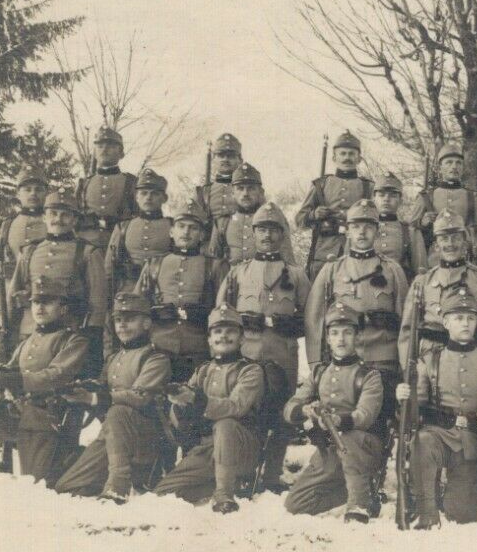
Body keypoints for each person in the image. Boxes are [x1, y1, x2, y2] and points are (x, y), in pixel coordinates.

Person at [0, 282, 91, 484]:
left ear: (64, 308)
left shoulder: (74, 341)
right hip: (18, 414)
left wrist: (17, 380)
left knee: (37, 485)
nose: (40, 308)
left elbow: (56, 376)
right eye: (35, 302)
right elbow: (11, 369)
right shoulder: (28, 341)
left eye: (48, 302)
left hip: (48, 420)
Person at [219, 202, 311, 494]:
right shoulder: (239, 272)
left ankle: (272, 474)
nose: (268, 236)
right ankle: (245, 471)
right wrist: (243, 321)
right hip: (247, 355)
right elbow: (221, 314)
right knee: (246, 412)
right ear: (253, 233)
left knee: (281, 415)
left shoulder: (295, 274)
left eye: (273, 230)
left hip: (282, 354)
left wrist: (287, 325)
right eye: (262, 230)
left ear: (282, 235)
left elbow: (310, 319)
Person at [398, 287, 477, 527]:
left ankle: (449, 497)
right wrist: (406, 396)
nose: (465, 323)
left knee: (462, 516)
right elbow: (416, 410)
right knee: (421, 441)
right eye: (458, 318)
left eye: (470, 318)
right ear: (446, 322)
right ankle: (427, 512)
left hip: (474, 442)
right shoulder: (431, 360)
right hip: (440, 436)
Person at [53, 292, 173, 501]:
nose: (122, 325)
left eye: (130, 319)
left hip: (146, 438)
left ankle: (119, 485)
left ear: (146, 323)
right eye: (118, 320)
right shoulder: (113, 358)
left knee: (118, 411)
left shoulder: (155, 358)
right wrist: (81, 392)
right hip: (114, 436)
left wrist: (95, 398)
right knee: (67, 485)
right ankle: (126, 475)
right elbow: (100, 390)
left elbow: (139, 397)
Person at [307, 197, 407, 439]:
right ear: (347, 230)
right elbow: (315, 319)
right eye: (356, 226)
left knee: (377, 429)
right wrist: (315, 364)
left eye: (368, 226)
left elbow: (406, 322)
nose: (362, 232)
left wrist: (404, 366)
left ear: (377, 231)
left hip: (383, 360)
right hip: (344, 362)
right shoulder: (332, 270)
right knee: (338, 426)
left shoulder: (392, 270)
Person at [153, 307, 266, 513]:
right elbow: (181, 417)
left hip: (241, 446)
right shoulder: (203, 370)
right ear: (209, 340)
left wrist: (195, 399)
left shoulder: (250, 370)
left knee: (226, 423)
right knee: (164, 493)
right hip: (208, 448)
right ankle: (227, 484)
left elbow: (236, 407)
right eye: (217, 332)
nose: (223, 336)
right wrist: (178, 404)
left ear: (242, 339)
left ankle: (225, 494)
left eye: (230, 331)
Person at [283, 301, 388, 522]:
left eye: (347, 333)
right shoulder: (319, 372)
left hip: (362, 447)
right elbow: (291, 406)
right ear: (328, 339)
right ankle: (359, 489)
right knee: (295, 504)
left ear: (357, 337)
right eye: (335, 333)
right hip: (329, 448)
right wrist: (305, 409)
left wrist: (337, 420)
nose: (341, 339)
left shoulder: (369, 375)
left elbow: (364, 416)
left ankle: (359, 505)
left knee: (349, 438)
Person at [135, 199, 226, 388]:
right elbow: (137, 308)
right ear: (171, 231)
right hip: (158, 348)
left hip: (198, 349)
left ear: (201, 235)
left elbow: (224, 310)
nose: (186, 232)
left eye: (193, 228)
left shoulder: (214, 266)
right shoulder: (154, 264)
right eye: (181, 226)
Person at [10, 191, 108, 358]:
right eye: (53, 214)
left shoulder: (88, 252)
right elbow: (13, 294)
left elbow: (98, 301)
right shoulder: (29, 251)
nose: (58, 219)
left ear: (75, 220)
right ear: (44, 217)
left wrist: (91, 337)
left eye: (65, 215)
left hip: (69, 334)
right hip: (29, 332)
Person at [399, 211, 477, 361]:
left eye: (455, 238)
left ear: (465, 243)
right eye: (444, 239)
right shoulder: (423, 282)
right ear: (436, 245)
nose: (450, 244)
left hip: (472, 356)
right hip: (430, 357)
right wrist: (409, 366)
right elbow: (408, 330)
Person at [0, 167, 49, 360]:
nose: (33, 193)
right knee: (4, 355)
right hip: (7, 303)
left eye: (38, 189)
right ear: (18, 193)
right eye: (27, 189)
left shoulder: (54, 224)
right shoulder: (5, 226)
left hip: (43, 302)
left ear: (46, 193)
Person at [296, 130, 374, 279]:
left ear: (359, 158)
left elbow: (377, 220)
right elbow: (299, 219)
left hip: (356, 252)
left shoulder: (368, 187)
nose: (347, 158)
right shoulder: (321, 184)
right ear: (334, 157)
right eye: (342, 154)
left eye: (351, 154)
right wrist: (314, 214)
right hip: (323, 252)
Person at [105, 167, 172, 296]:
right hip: (128, 289)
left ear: (164, 198)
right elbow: (109, 268)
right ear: (136, 197)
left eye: (154, 193)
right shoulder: (124, 226)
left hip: (161, 289)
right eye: (144, 193)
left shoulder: (172, 226)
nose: (148, 197)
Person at [75, 126, 138, 251]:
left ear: (121, 153)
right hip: (86, 244)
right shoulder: (84, 183)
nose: (104, 150)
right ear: (95, 153)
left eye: (111, 146)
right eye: (100, 146)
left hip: (120, 244)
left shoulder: (131, 182)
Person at [370, 171, 426, 278]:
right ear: (374, 199)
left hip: (399, 287)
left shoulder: (411, 232)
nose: (386, 199)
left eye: (393, 195)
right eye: (381, 195)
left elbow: (420, 271)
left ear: (400, 200)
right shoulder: (364, 228)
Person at [197, 132, 243, 246]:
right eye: (221, 155)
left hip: (238, 247)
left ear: (240, 160)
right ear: (213, 159)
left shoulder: (248, 190)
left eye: (230, 156)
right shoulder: (203, 192)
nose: (225, 159)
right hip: (209, 251)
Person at [420, 142, 475, 236]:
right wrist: (422, 223)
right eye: (449, 162)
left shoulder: (471, 196)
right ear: (440, 168)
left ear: (463, 168)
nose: (454, 166)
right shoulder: (428, 195)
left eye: (458, 163)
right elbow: (411, 228)